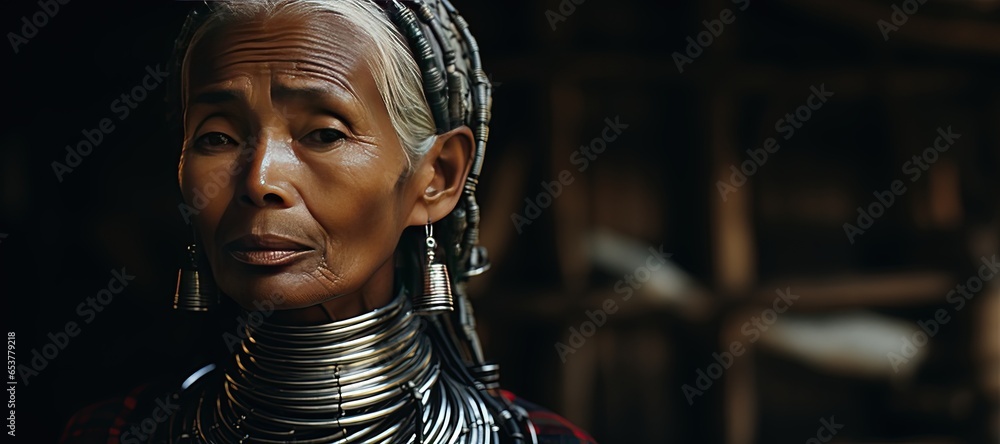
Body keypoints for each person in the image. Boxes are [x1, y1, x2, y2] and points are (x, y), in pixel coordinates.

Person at [59, 0, 597, 443]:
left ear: (436, 176)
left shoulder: (536, 439)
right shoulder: (109, 433)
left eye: (323, 134)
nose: (258, 180)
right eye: (217, 137)